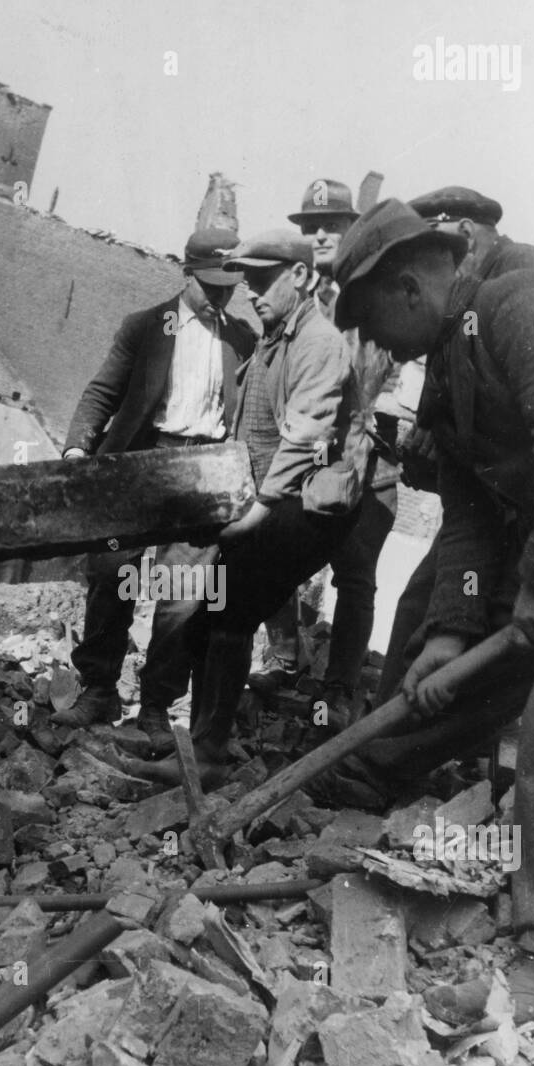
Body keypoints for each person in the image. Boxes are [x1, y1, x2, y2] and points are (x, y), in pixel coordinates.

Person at [330, 197, 534, 1022]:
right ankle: (363, 775)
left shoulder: (522, 304)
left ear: (410, 286)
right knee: (470, 683)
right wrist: (452, 628)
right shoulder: (448, 362)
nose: (373, 344)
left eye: (371, 320)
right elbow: (469, 512)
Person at [51, 228, 255, 754]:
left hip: (205, 470)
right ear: (185, 274)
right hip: (143, 459)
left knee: (184, 594)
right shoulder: (145, 327)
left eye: (229, 285)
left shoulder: (243, 341)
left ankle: (158, 707)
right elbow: (102, 392)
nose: (220, 295)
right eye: (210, 284)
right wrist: (78, 452)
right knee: (111, 572)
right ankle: (98, 690)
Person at [374, 186, 534, 705]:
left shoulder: (518, 274)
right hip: (493, 504)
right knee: (435, 608)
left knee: (501, 623)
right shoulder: (455, 312)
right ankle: (385, 747)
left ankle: (403, 756)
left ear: (463, 234)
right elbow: (451, 393)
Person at [180, 228, 365, 767]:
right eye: (248, 280)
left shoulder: (320, 344)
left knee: (229, 611)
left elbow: (304, 439)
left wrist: (252, 516)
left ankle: (208, 756)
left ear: (303, 277)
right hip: (266, 500)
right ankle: (204, 747)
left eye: (264, 279)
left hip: (305, 506)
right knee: (207, 618)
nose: (251, 291)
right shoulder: (274, 334)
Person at [250, 177, 401, 735]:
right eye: (308, 227)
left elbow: (396, 371)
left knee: (356, 575)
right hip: (305, 451)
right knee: (272, 552)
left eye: (330, 226)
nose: (317, 236)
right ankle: (285, 658)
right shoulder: (291, 302)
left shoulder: (375, 298)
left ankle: (338, 689)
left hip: (368, 456)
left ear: (350, 231)